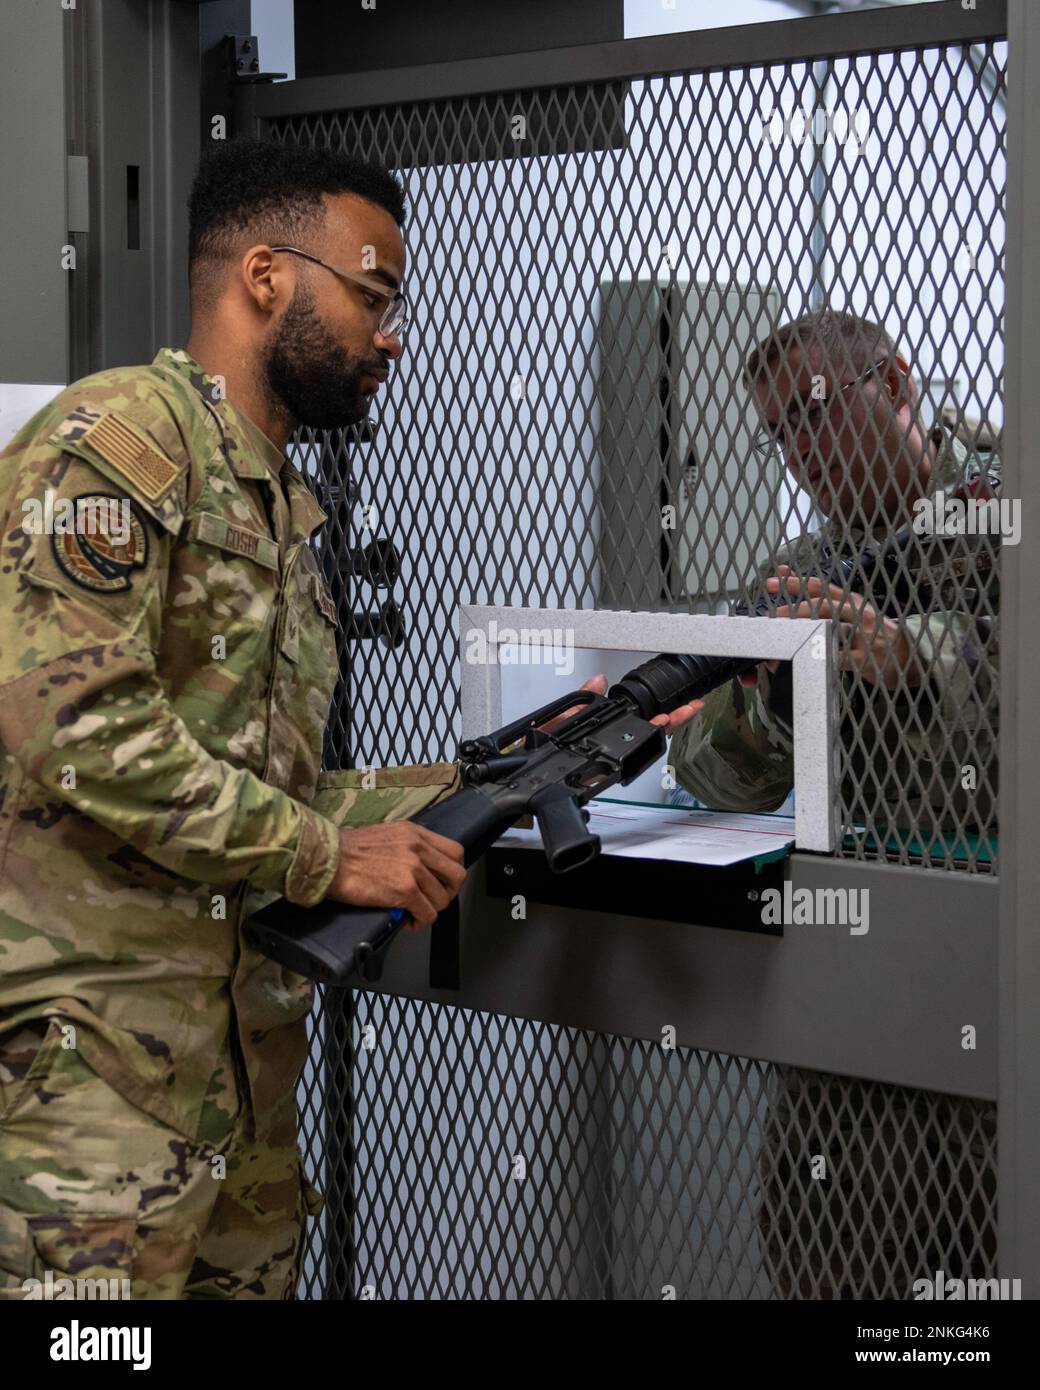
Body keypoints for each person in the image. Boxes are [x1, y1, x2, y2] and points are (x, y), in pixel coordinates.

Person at [0, 138, 474, 1301]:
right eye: (371, 295)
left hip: (245, 1091)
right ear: (265, 275)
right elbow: (81, 729)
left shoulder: (281, 509)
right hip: (96, 1096)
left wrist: (496, 779)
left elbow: (263, 787)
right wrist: (327, 853)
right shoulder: (116, 444)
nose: (390, 335)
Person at [670, 309, 1000, 1298]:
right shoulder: (801, 575)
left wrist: (911, 654)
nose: (797, 450)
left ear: (893, 386)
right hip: (851, 979)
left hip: (994, 965)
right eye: (775, 432)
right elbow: (703, 767)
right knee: (833, 1258)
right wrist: (770, 704)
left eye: (811, 411)